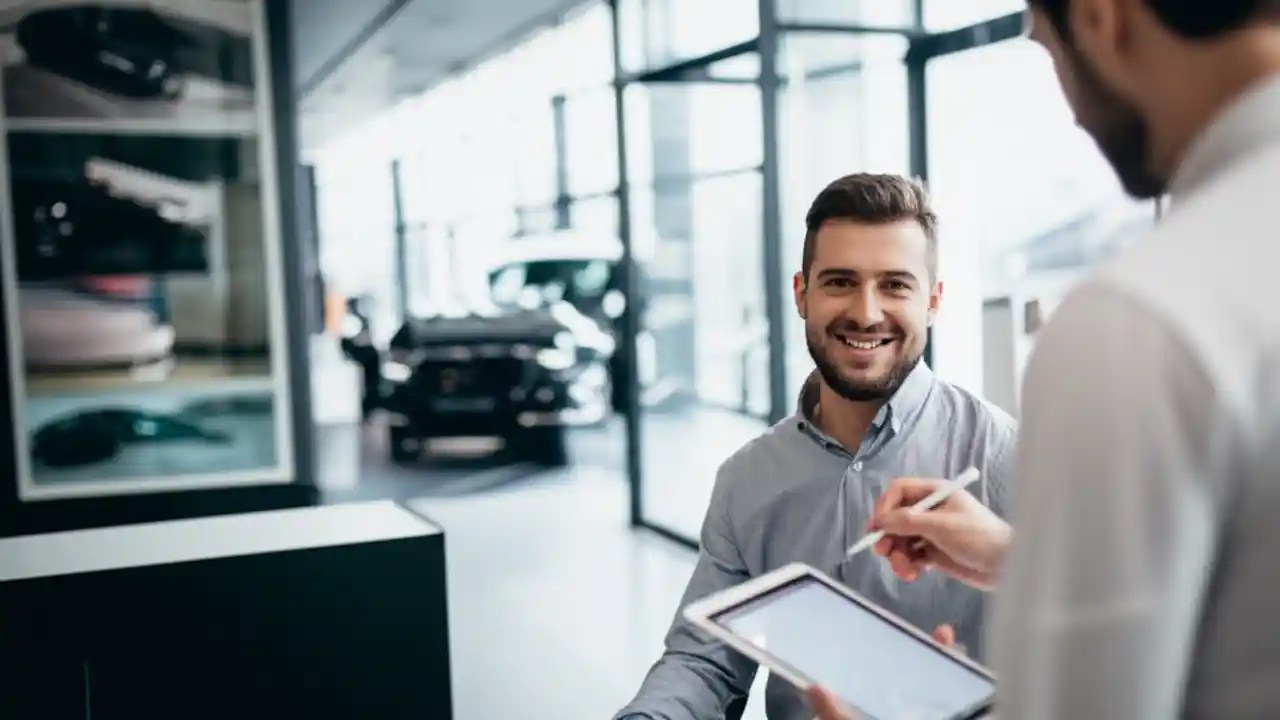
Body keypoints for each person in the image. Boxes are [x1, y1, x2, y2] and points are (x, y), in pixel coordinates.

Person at [809, 0, 1280, 718]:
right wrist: (1015, 557)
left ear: (1102, 17)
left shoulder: (1139, 323)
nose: (1074, 113)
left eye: (1045, 49)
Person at [614, 174, 1017, 720]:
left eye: (895, 285)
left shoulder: (1001, 454)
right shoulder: (748, 478)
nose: (867, 312)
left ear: (933, 301)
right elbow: (705, 663)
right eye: (840, 282)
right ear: (802, 293)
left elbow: (1092, 648)